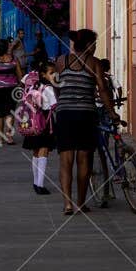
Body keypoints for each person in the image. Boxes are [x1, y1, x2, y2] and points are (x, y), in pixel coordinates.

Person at [51, 28, 120, 216]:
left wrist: (63, 101)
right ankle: (81, 203)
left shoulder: (60, 61)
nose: (96, 47)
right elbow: (103, 91)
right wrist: (111, 112)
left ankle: (67, 204)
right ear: (89, 45)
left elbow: (56, 87)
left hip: (64, 115)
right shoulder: (94, 63)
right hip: (86, 115)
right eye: (95, 44)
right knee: (84, 161)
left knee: (66, 161)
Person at [16, 61, 56, 194]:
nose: (54, 75)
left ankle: (35, 182)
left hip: (31, 122)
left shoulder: (31, 86)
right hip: (44, 123)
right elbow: (54, 106)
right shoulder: (49, 89)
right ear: (44, 74)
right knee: (43, 152)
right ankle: (40, 184)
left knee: (35, 152)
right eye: (51, 73)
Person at [0, 39, 23, 144]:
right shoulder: (14, 59)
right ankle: (9, 137)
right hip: (11, 89)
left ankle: (0, 138)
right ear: (7, 47)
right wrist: (22, 87)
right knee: (10, 113)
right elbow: (20, 75)